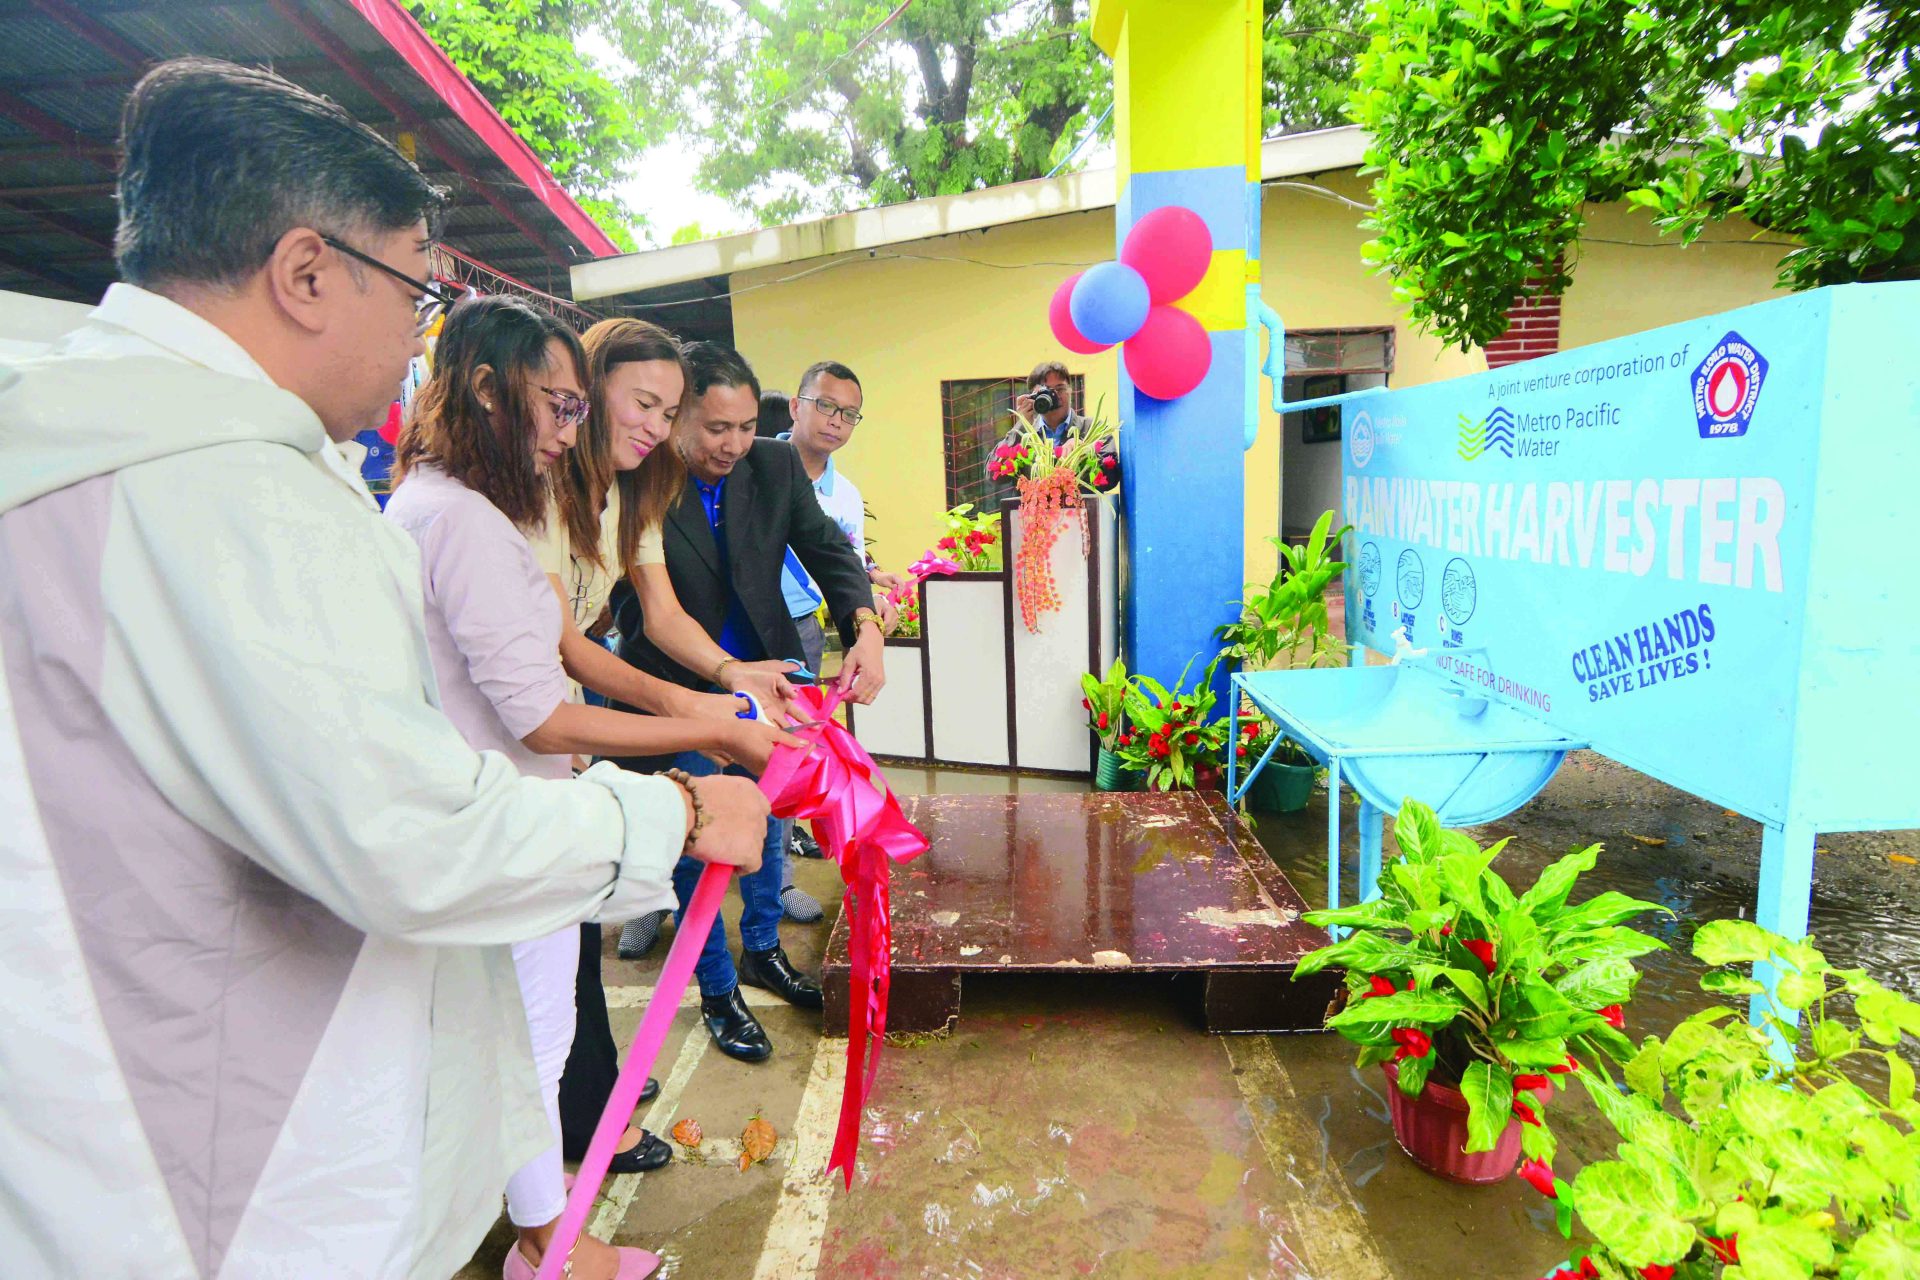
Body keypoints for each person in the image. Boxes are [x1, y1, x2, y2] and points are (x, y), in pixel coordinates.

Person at [0, 58, 766, 1280]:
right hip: (211, 1167)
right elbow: (411, 837)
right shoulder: (221, 493)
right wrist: (676, 802)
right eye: (413, 287)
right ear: (306, 273)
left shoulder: (106, 443)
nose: (419, 323)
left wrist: (698, 708)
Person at [385, 297, 799, 1280]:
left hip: (505, 792)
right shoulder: (468, 518)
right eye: (564, 408)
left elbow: (571, 643)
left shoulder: (475, 502)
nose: (579, 433)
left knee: (527, 1024)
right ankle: (552, 1248)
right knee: (534, 1034)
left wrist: (714, 694)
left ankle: (536, 1224)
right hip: (503, 799)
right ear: (487, 391)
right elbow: (544, 709)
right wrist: (703, 728)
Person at [534, 318, 797, 1160]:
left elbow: (662, 613)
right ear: (584, 388)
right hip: (534, 719)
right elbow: (567, 649)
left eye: (666, 408)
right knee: (561, 922)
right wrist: (696, 718)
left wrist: (729, 678)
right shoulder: (533, 491)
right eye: (643, 403)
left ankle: (587, 1075)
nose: (655, 425)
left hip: (565, 709)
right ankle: (575, 1109)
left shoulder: (633, 491)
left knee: (570, 926)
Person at [608, 342, 885, 1063]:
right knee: (699, 845)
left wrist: (866, 624)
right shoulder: (639, 482)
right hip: (678, 685)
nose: (733, 445)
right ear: (677, 418)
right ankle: (718, 988)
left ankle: (763, 949)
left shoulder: (773, 463)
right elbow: (651, 612)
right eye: (714, 429)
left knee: (765, 821)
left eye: (742, 426)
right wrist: (722, 679)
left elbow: (827, 549)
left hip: (765, 680)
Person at [774, 360, 904, 886]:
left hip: (801, 627)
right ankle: (663, 898)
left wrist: (870, 589)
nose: (835, 421)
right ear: (796, 405)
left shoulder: (844, 493)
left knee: (791, 749)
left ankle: (775, 882)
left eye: (849, 414)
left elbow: (838, 558)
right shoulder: (749, 466)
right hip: (735, 629)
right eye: (825, 405)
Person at [984, 359, 1119, 487]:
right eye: (1047, 391)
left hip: (1083, 510)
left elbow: (1112, 478)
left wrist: (1082, 451)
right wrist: (1022, 425)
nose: (1055, 396)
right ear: (1033, 396)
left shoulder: (1092, 429)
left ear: (1070, 391)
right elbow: (993, 476)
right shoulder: (1026, 436)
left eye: (1060, 389)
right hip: (1033, 511)